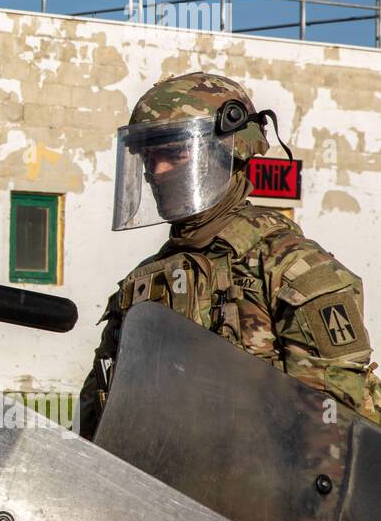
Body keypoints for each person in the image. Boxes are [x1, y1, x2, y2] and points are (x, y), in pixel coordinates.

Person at [78, 72, 380, 439]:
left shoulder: (290, 268)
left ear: (231, 150)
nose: (156, 171)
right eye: (148, 156)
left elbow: (330, 432)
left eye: (174, 153)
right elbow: (95, 424)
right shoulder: (143, 284)